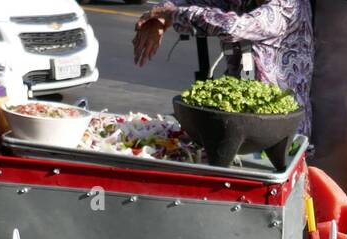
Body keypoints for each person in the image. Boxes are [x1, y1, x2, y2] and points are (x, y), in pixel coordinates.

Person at [133, 0, 313, 138]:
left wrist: (173, 14)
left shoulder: (288, 6)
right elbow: (190, 3)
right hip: (240, 116)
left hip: (279, 125)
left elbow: (231, 27)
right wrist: (158, 19)